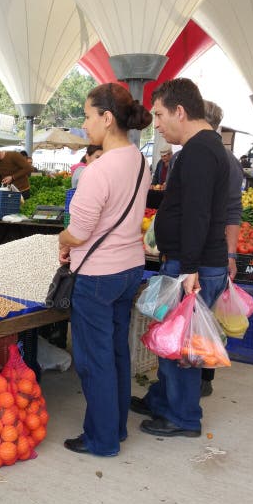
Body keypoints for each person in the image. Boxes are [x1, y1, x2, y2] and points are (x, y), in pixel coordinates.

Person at [57, 83, 152, 457]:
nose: (85, 123)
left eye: (87, 115)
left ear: (107, 118)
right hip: (130, 269)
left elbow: (79, 232)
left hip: (97, 275)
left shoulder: (98, 171)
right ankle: (117, 427)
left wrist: (60, 240)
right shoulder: (140, 161)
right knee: (115, 352)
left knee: (93, 360)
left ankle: (101, 439)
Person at [131, 78, 229, 438]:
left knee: (182, 348)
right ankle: (162, 400)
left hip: (194, 268)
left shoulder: (201, 150)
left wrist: (188, 268)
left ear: (180, 111)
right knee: (172, 340)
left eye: (159, 115)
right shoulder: (203, 147)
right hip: (194, 264)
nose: (155, 124)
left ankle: (183, 417)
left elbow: (198, 214)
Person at [200, 99, 244, 397]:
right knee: (207, 318)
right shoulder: (231, 160)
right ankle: (204, 379)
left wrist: (229, 254)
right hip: (217, 255)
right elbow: (234, 212)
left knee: (196, 320)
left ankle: (196, 383)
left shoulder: (204, 156)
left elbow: (228, 212)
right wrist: (231, 255)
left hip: (204, 256)